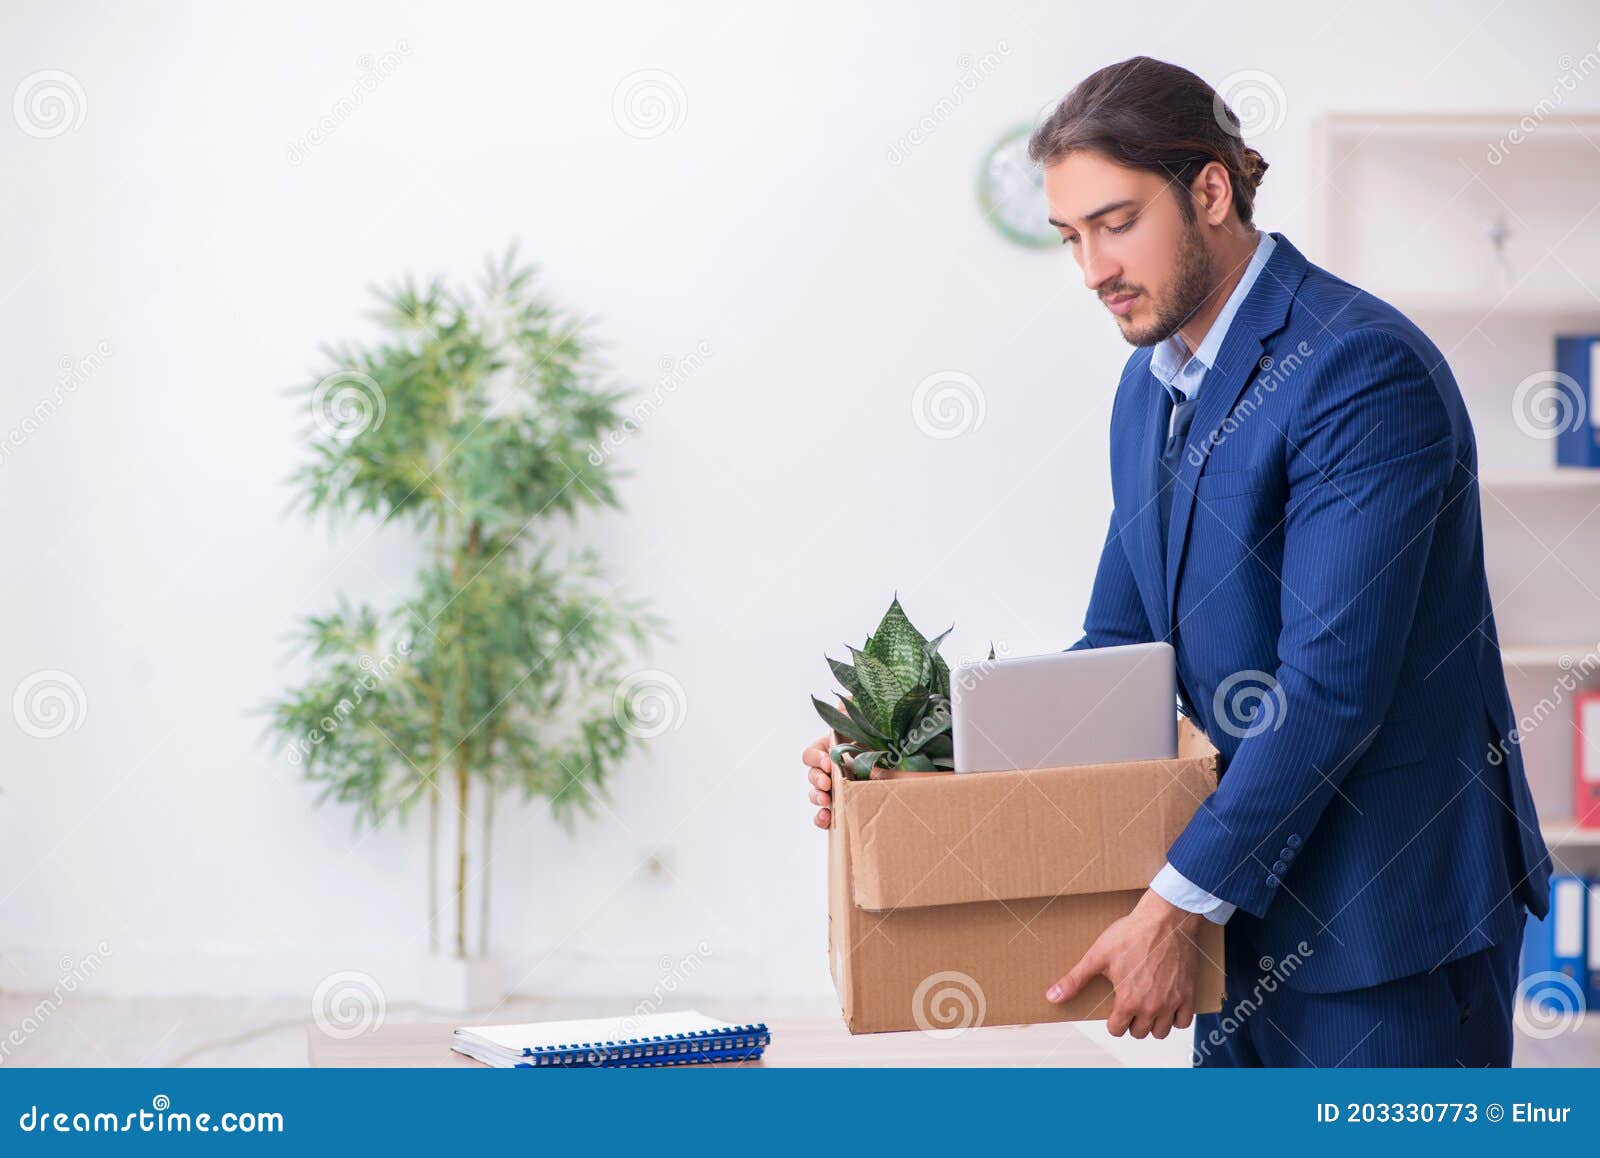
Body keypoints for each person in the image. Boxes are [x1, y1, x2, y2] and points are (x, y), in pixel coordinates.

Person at [803, 55, 1550, 1067]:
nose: (1093, 269)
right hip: (1233, 919)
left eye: (1116, 223)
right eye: (1072, 238)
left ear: (1209, 189)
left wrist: (1170, 904)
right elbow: (1118, 647)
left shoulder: (1356, 369)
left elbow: (1330, 690)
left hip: (1385, 922)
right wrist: (916, 764)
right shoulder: (1149, 386)